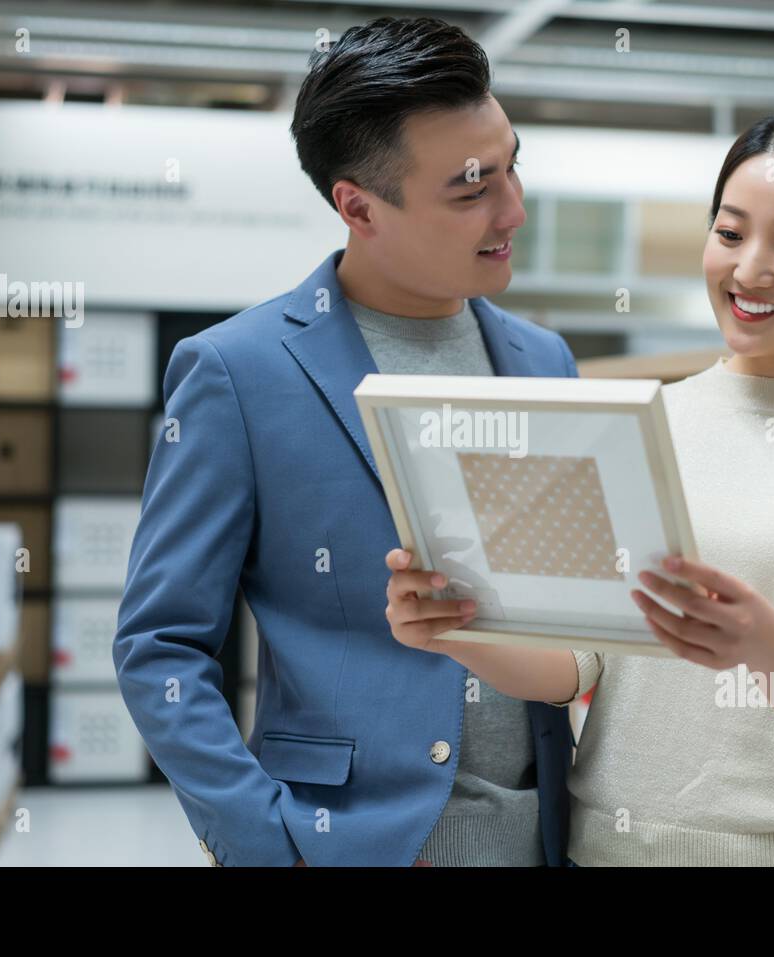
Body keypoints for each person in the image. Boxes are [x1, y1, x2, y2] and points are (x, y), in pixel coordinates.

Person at [385, 102, 774, 866]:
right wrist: (459, 629)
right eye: (730, 232)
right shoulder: (644, 422)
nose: (750, 268)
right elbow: (577, 663)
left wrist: (757, 640)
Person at [114, 17, 577, 867]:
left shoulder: (543, 362)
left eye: (513, 165)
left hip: (542, 839)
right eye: (471, 189)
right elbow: (160, 645)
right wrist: (265, 840)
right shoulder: (237, 373)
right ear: (357, 205)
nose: (512, 208)